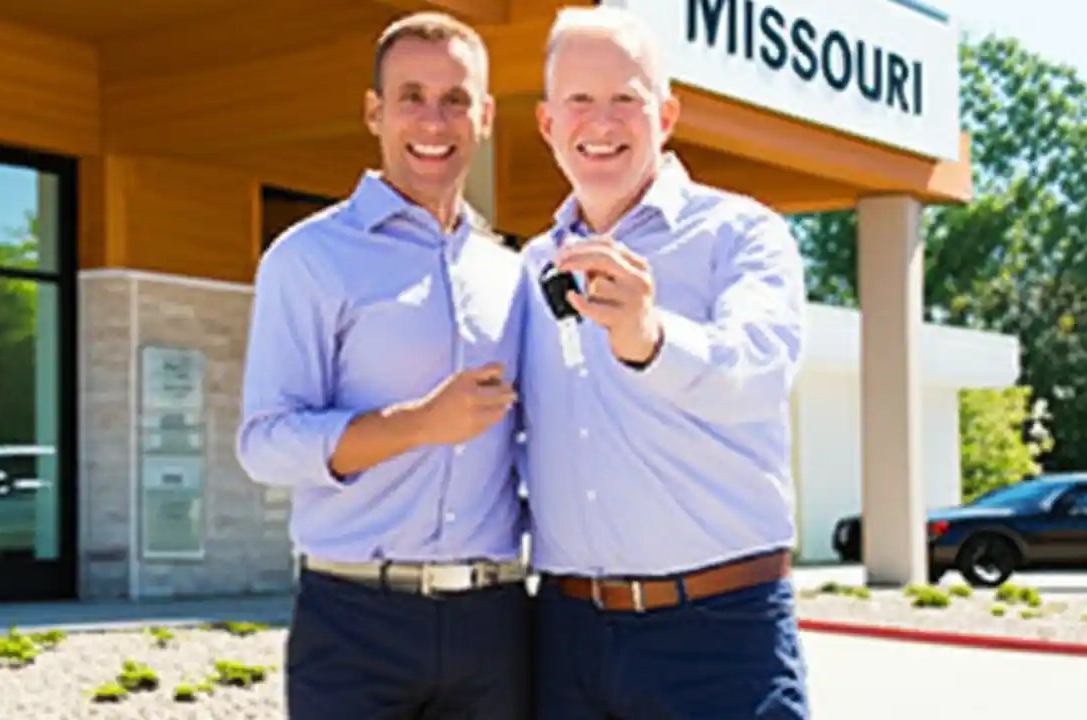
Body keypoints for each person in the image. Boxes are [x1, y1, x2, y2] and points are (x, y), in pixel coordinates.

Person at [235, 11, 531, 720]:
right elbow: (264, 445)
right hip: (353, 622)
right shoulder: (308, 258)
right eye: (411, 97)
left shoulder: (514, 275)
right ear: (374, 112)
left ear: (484, 116)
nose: (434, 121)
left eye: (456, 99)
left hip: (495, 624)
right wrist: (417, 424)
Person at [519, 6, 810, 719]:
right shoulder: (526, 269)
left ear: (668, 114)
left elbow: (762, 367)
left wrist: (651, 337)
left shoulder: (742, 235)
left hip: (720, 635)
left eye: (627, 98)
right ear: (547, 123)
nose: (603, 121)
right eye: (580, 101)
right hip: (566, 639)